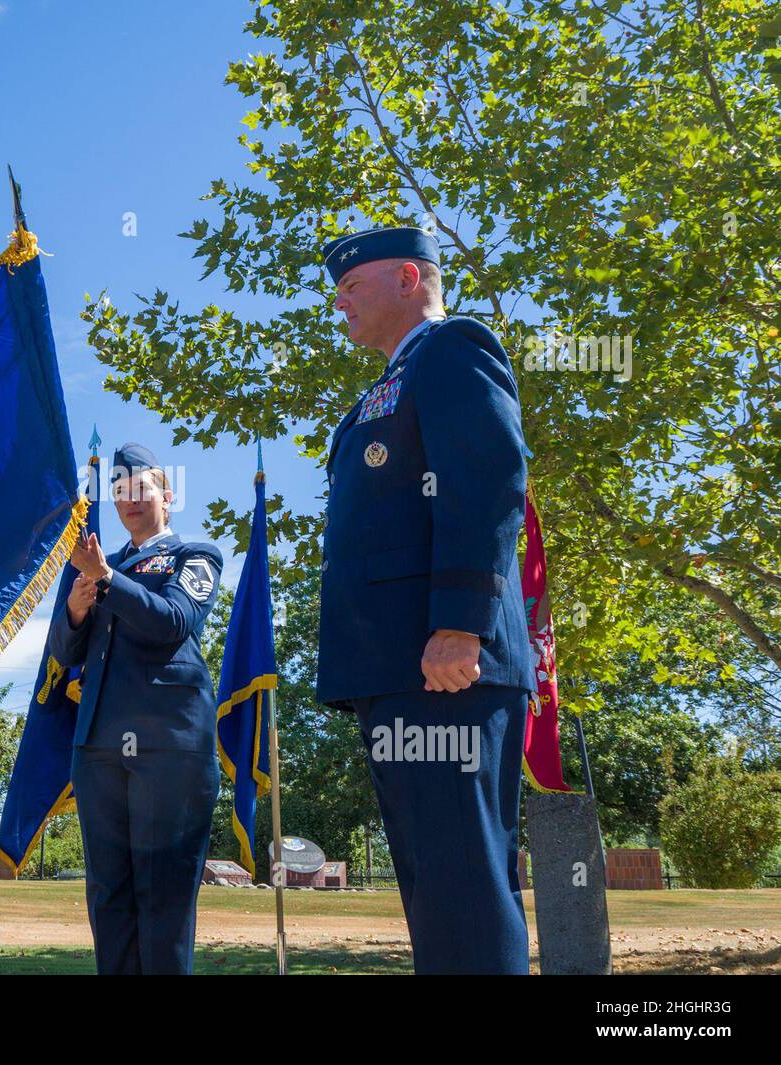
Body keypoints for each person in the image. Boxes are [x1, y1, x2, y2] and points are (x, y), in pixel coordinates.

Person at [316, 226, 537, 975]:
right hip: (399, 667)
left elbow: (485, 480)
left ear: (410, 277)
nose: (338, 302)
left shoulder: (450, 350)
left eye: (351, 286)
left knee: (463, 887)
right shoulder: (388, 383)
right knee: (437, 891)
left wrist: (458, 624)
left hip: (445, 665)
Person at [48, 442, 224, 975]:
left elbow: (172, 621)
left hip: (169, 747)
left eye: (140, 490)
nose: (128, 501)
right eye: (119, 492)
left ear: (167, 496)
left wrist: (104, 580)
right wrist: (76, 613)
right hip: (100, 744)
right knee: (108, 896)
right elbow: (63, 654)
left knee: (164, 894)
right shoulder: (100, 566)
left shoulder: (195, 555)